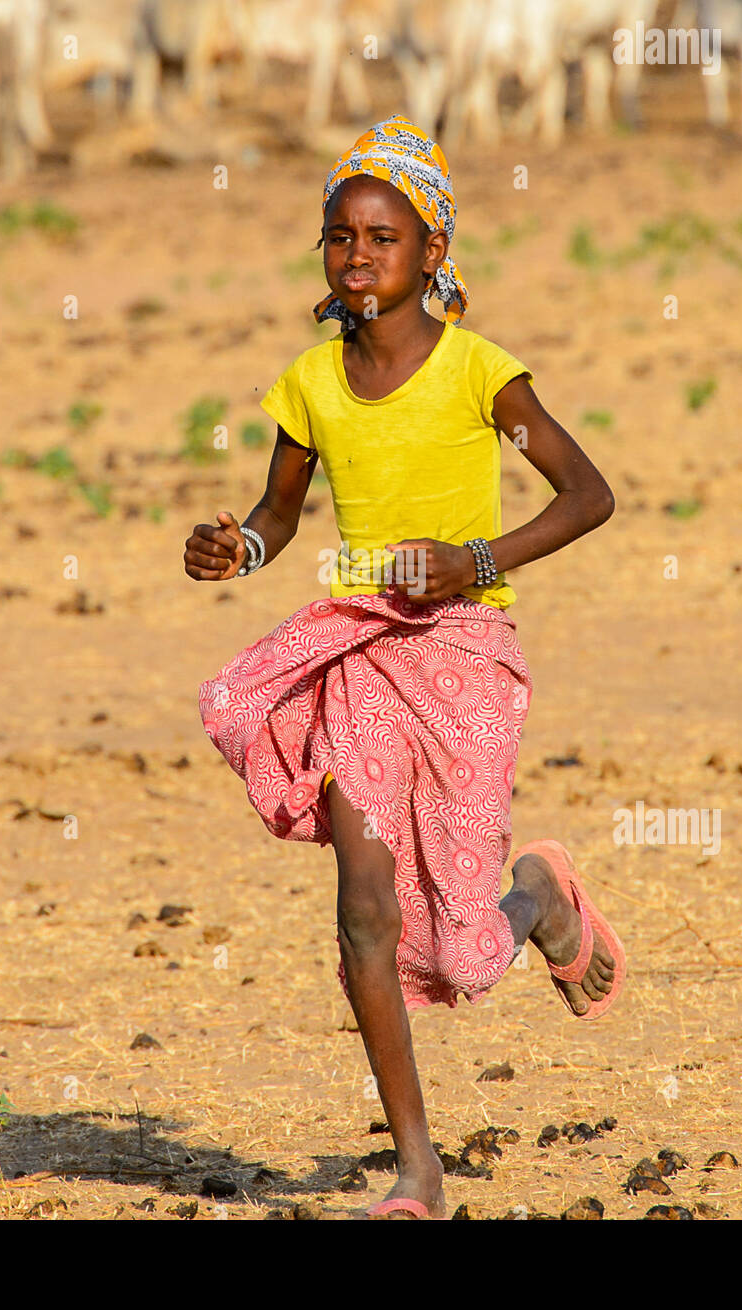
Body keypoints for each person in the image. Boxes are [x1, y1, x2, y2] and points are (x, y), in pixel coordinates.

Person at [187, 114, 625, 1220]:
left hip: (467, 651)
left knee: (467, 950)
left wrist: (474, 561)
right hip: (358, 651)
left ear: (433, 253)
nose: (357, 257)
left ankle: (540, 896)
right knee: (365, 912)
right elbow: (279, 515)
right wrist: (235, 548)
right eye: (339, 237)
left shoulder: (482, 375)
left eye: (383, 238)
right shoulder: (310, 385)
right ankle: (416, 1169)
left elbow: (587, 497)